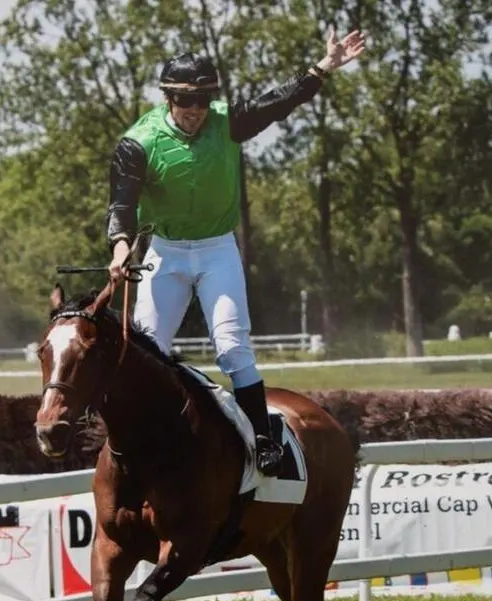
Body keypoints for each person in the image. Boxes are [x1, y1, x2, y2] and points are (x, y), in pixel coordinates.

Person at [104, 28, 367, 477]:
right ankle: (141, 442)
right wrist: (121, 246)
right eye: (187, 102)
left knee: (231, 346)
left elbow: (278, 103)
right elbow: (122, 205)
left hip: (216, 252)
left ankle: (264, 441)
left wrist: (323, 67)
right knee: (147, 352)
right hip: (164, 254)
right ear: (168, 98)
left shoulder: (228, 121)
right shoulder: (138, 142)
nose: (196, 112)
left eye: (204, 101)